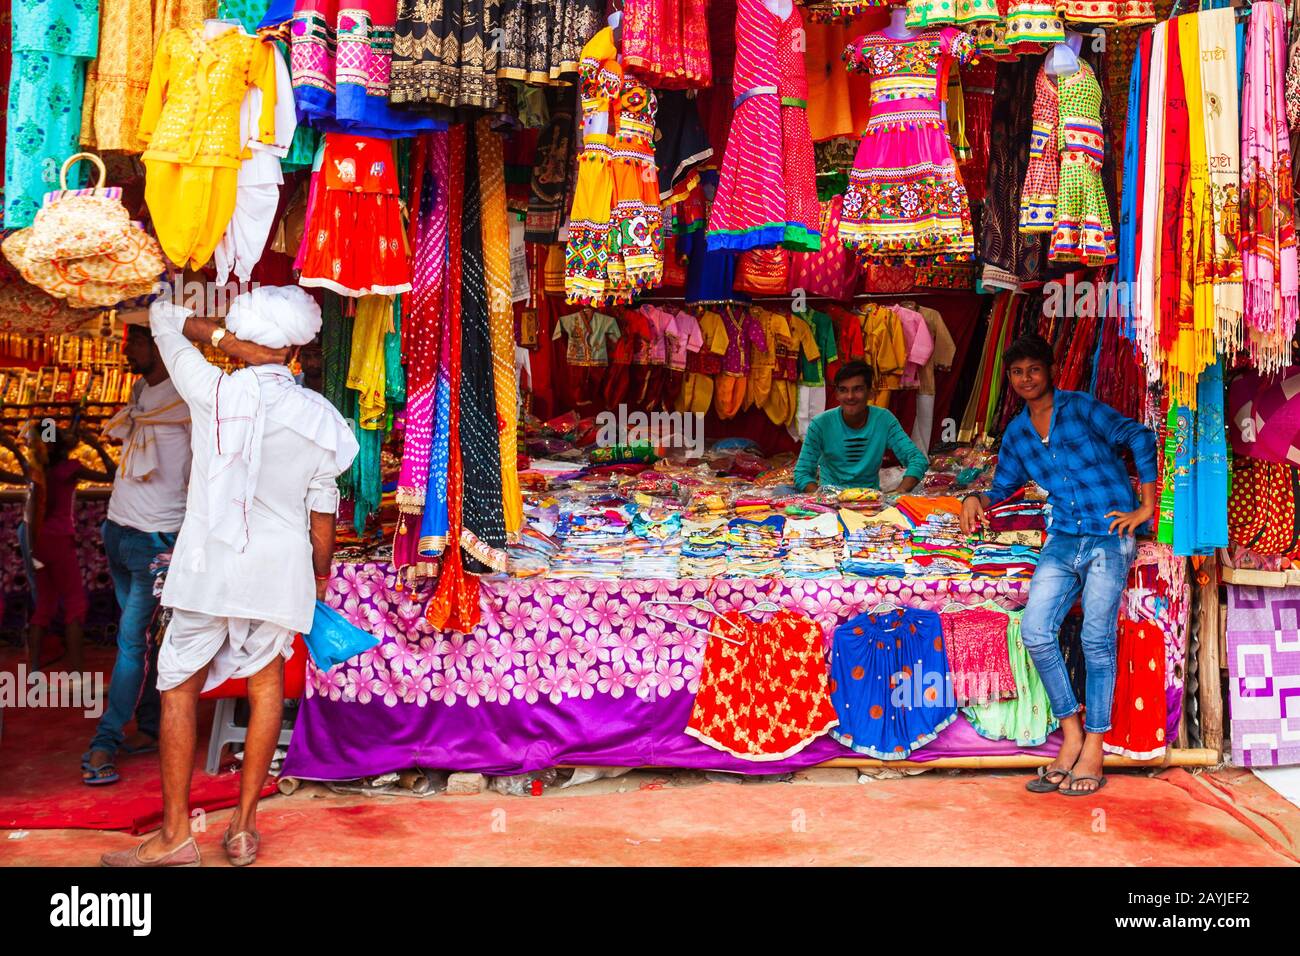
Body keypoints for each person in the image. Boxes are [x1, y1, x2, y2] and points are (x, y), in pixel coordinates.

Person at [102, 287, 358, 868]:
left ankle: (175, 836)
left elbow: (165, 316)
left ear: (249, 340)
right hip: (279, 569)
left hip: (208, 566)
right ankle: (243, 829)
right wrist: (317, 582)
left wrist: (225, 341)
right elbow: (323, 517)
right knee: (266, 682)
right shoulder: (321, 418)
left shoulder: (213, 389)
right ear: (296, 348)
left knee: (178, 688)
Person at [959, 333, 1157, 797]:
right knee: (1035, 630)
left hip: (1111, 534)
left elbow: (1139, 436)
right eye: (1016, 372)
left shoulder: (1082, 407)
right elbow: (1004, 485)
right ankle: (1070, 731)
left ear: (1050, 371)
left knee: (1095, 637)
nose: (1026, 379)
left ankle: (1095, 742)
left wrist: (1144, 507)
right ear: (1009, 379)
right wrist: (974, 497)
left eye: (1033, 369)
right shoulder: (1018, 433)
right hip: (1065, 535)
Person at [82, 322, 194, 786]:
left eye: (137, 342)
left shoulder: (189, 405)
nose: (128, 350)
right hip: (119, 528)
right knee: (139, 642)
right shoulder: (139, 390)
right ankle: (148, 727)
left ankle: (105, 741)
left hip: (154, 540)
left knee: (131, 642)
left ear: (162, 347)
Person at [2, 423, 115, 675]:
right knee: (75, 606)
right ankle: (77, 673)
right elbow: (111, 474)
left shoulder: (38, 470)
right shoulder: (69, 469)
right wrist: (96, 444)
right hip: (61, 541)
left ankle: (33, 669)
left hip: (39, 541)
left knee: (44, 605)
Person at [792, 360, 929, 493]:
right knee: (781, 491)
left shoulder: (884, 420)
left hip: (870, 502)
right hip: (830, 502)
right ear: (837, 395)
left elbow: (917, 459)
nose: (850, 396)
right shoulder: (820, 424)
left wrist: (900, 491)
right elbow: (802, 473)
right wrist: (822, 500)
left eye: (857, 389)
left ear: (870, 392)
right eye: (843, 390)